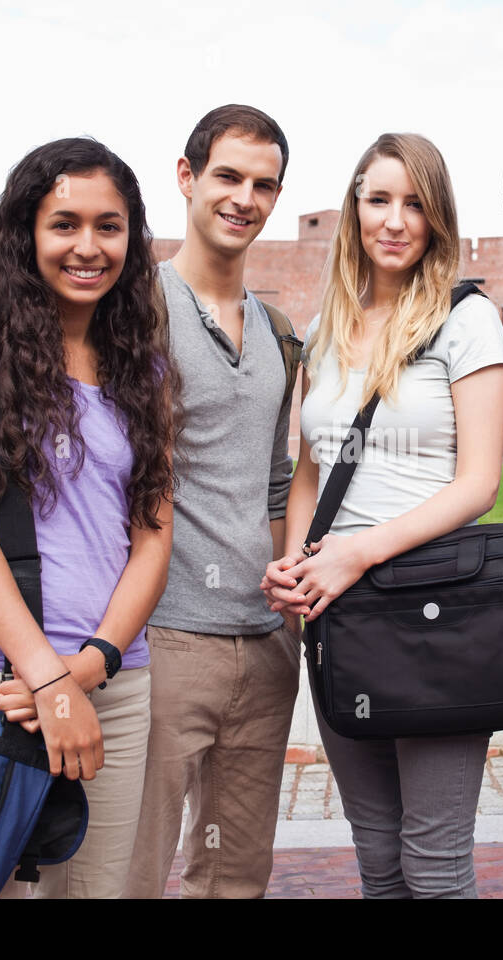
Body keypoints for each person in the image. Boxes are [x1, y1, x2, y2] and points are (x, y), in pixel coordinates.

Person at [0, 137, 176, 899]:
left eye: (110, 226)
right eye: (65, 224)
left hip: (115, 683)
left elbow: (154, 537)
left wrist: (88, 669)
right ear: (26, 231)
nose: (88, 246)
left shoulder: (147, 363)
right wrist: (46, 680)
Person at [263, 133, 503, 898]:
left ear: (437, 217)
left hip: (436, 617)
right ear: (355, 209)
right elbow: (311, 468)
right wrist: (303, 561)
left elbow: (478, 486)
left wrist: (358, 552)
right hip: (341, 616)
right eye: (379, 200)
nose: (395, 220)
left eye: (415, 203)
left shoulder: (466, 321)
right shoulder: (327, 330)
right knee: (376, 855)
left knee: (435, 866)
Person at [125, 105, 301, 899]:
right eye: (228, 176)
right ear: (187, 177)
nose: (245, 198)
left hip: (264, 645)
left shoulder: (278, 329)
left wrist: (287, 613)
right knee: (126, 869)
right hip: (162, 638)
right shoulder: (135, 308)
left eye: (265, 184)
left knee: (233, 876)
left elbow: (272, 479)